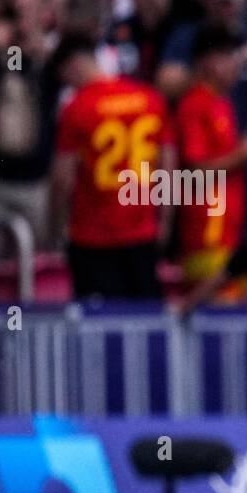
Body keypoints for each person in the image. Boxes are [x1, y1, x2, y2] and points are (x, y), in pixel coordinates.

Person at [49, 36, 175, 300]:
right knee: (143, 323)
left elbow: (63, 179)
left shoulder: (77, 108)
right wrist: (164, 220)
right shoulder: (149, 98)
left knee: (96, 325)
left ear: (72, 66)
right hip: (142, 230)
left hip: (92, 235)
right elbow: (168, 164)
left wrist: (55, 228)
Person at [174, 25, 247, 298]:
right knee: (218, 316)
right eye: (227, 56)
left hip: (230, 229)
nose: (234, 63)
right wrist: (244, 153)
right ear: (206, 61)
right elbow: (194, 171)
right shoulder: (194, 105)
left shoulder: (221, 102)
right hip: (207, 232)